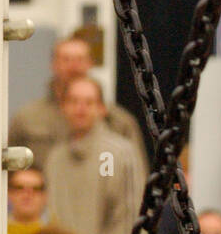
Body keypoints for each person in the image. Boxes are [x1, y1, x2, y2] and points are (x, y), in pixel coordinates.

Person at [45, 75, 145, 234]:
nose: (81, 108)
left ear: (102, 108)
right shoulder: (55, 157)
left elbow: (129, 215)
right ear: (63, 107)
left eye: (89, 102)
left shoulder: (117, 153)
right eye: (74, 101)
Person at [9, 33, 147, 174]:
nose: (74, 66)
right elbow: (9, 170)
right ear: (53, 64)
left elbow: (135, 173)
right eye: (66, 59)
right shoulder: (26, 119)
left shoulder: (118, 122)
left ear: (91, 64)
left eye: (80, 59)